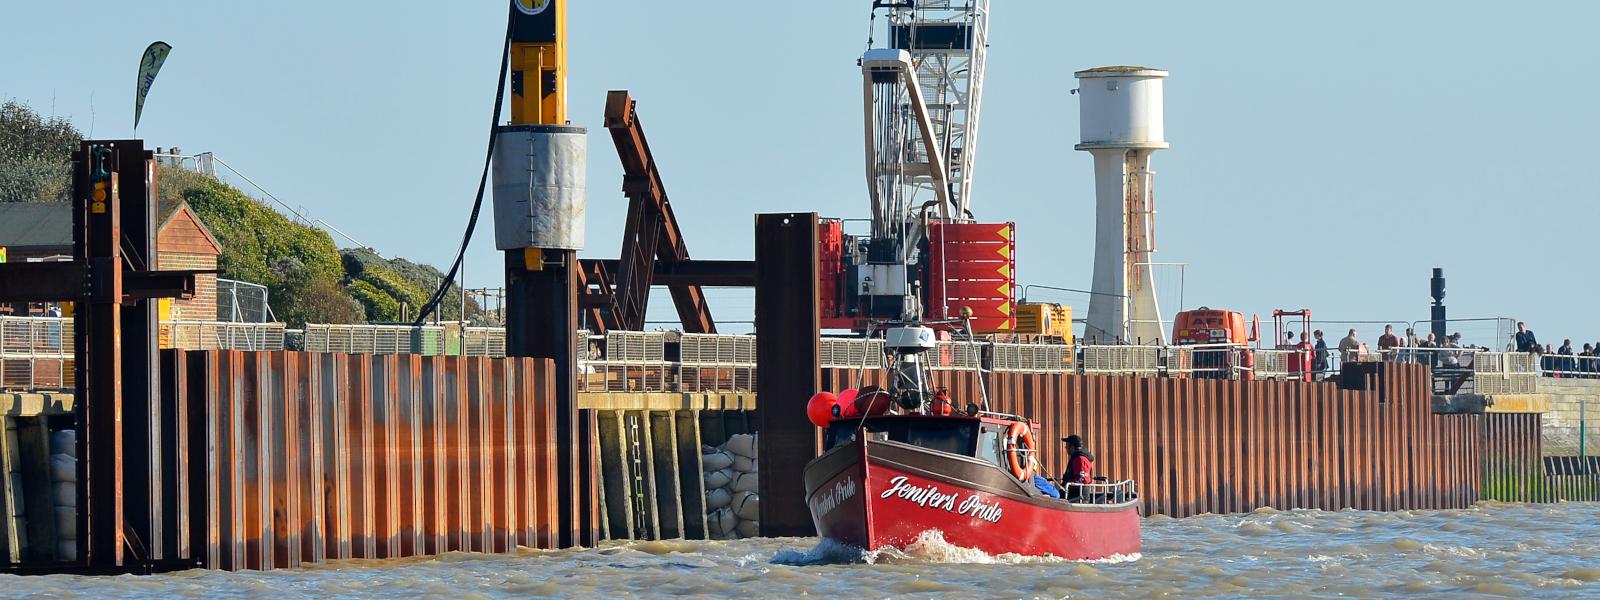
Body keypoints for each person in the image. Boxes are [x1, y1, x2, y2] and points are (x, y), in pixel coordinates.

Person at [1060, 435, 1095, 501]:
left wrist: (1067, 484)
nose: (1066, 448)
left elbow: (1083, 480)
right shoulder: (1077, 457)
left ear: (1072, 447)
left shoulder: (1080, 459)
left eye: (1067, 446)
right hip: (1074, 495)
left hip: (1078, 498)